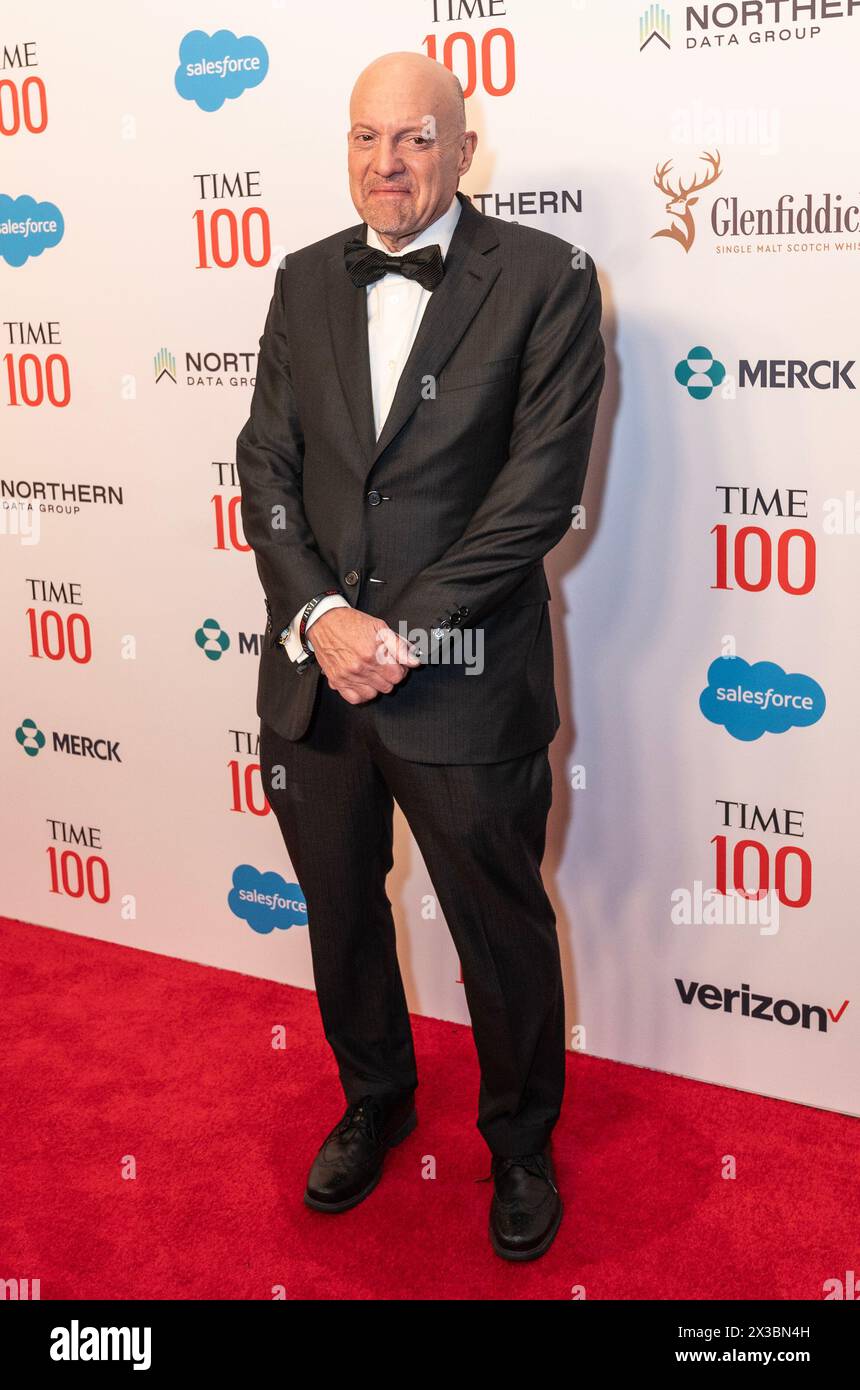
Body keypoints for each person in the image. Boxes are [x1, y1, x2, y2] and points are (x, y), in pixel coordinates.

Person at [236, 50, 605, 1261]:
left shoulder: (548, 280)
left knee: (496, 931)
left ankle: (518, 1146)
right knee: (341, 912)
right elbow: (267, 470)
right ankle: (375, 1098)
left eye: (410, 140)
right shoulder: (299, 282)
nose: (384, 165)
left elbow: (535, 494)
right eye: (363, 139)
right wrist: (321, 618)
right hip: (316, 675)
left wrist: (399, 631)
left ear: (460, 146)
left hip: (461, 683)